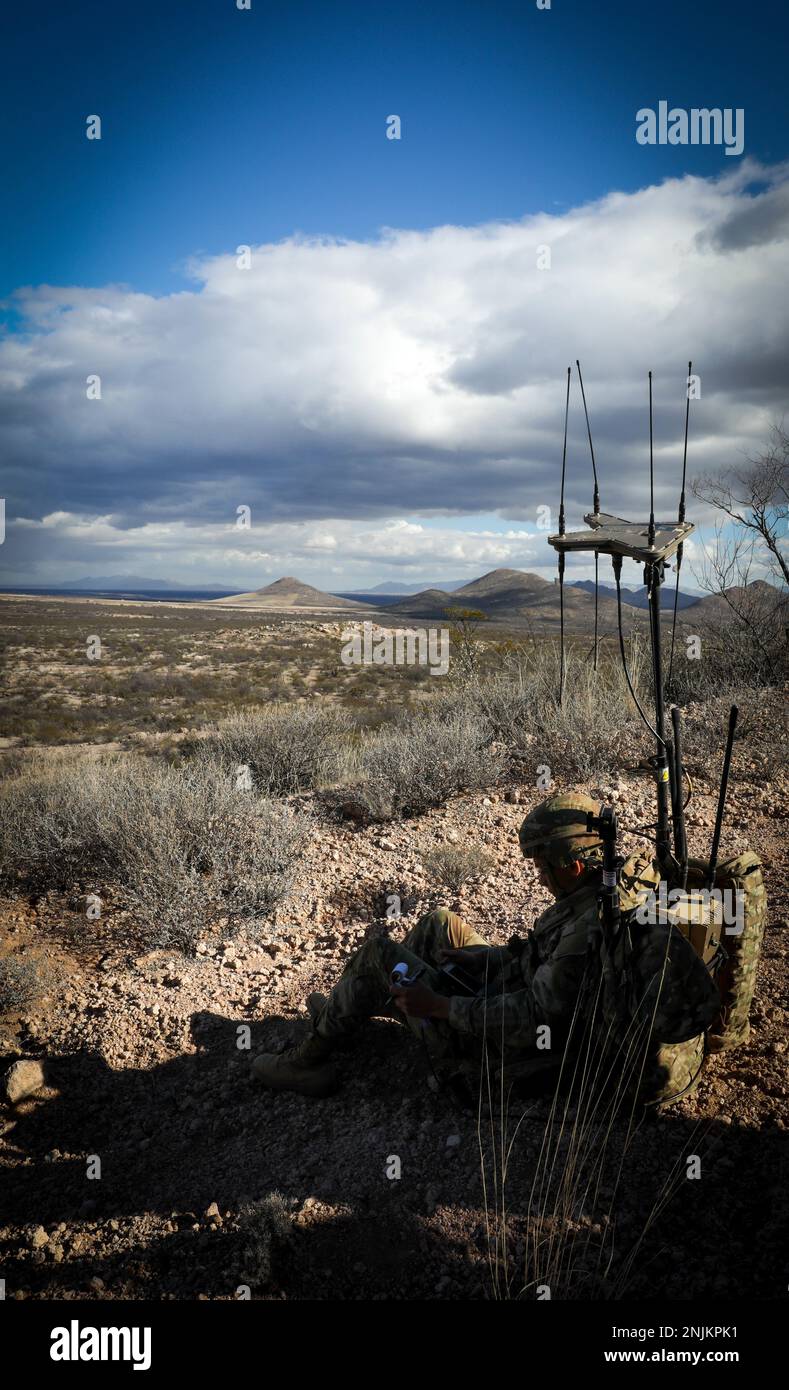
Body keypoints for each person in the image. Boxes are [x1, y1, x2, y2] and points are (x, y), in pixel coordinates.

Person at [250, 792, 715, 1104]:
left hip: (512, 1050)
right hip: (531, 995)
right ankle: (353, 1004)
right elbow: (544, 962)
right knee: (441, 926)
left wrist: (443, 1005)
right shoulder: (614, 887)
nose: (538, 875)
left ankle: (307, 1062)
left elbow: (535, 1019)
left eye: (542, 865)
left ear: (572, 867)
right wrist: (489, 958)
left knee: (378, 954)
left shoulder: (586, 928)